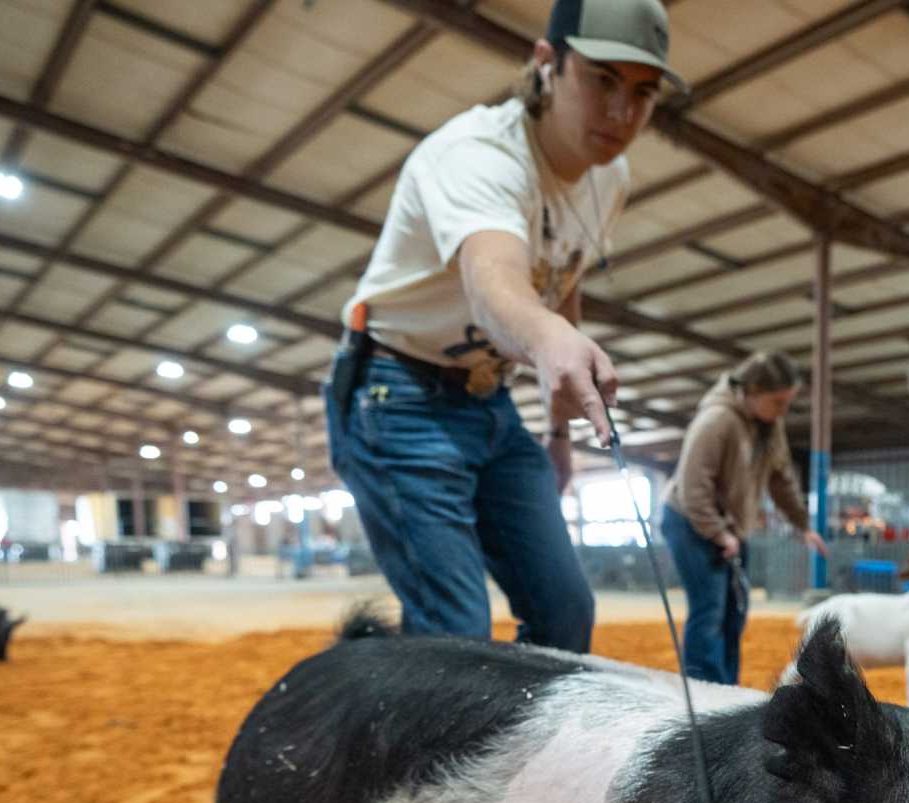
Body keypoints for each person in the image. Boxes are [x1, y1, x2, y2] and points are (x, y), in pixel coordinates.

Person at [323, 0, 684, 652]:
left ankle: (515, 753)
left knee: (565, 613)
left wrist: (559, 429)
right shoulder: (478, 156)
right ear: (547, 63)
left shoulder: (610, 177)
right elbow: (494, 280)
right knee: (457, 635)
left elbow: (561, 277)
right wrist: (547, 340)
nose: (622, 112)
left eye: (642, 92)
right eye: (602, 79)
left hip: (488, 401)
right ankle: (409, 746)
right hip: (396, 393)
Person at [659, 352, 826, 684]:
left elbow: (781, 477)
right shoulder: (715, 421)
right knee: (710, 611)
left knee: (734, 614)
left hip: (731, 527)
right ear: (751, 390)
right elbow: (694, 489)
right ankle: (703, 692)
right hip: (690, 521)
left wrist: (802, 524)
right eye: (778, 401)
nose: (783, 410)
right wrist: (720, 534)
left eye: (788, 402)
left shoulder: (770, 425)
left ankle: (726, 689)